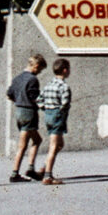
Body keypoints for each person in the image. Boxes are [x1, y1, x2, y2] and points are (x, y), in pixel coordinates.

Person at [6, 54, 47, 182]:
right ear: (36, 66)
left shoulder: (17, 78)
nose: (39, 72)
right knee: (23, 145)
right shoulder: (33, 80)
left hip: (19, 111)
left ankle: (30, 168)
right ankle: (15, 173)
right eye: (40, 70)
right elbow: (35, 97)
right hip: (29, 112)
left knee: (37, 140)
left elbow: (9, 94)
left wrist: (18, 100)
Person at [38, 58, 72, 186]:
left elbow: (39, 100)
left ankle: (45, 167)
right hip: (58, 115)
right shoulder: (64, 86)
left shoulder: (48, 85)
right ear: (65, 70)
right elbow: (65, 103)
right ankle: (47, 176)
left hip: (48, 115)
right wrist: (60, 112)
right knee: (53, 146)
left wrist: (46, 108)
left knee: (59, 144)